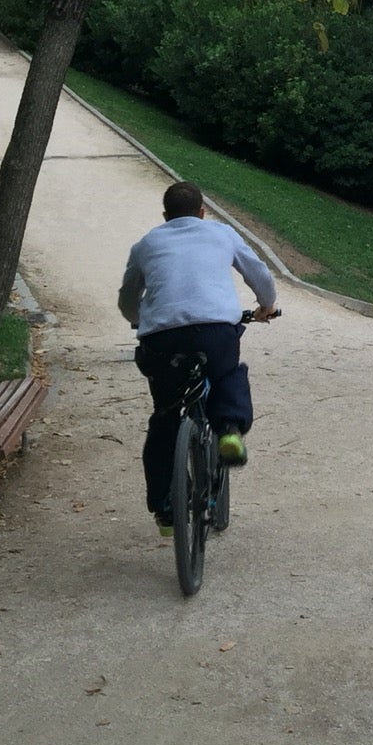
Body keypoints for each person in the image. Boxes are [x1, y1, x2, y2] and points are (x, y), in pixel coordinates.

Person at [118, 180, 277, 537]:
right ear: (202, 213)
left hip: (162, 341)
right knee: (228, 374)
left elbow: (127, 299)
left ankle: (166, 507)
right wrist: (266, 305)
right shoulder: (222, 233)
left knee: (164, 417)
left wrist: (139, 319)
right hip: (215, 331)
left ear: (165, 216)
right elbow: (259, 273)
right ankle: (230, 429)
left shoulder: (146, 244)